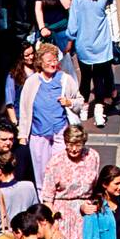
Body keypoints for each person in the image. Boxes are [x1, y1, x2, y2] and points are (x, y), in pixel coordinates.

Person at [17, 43, 83, 189]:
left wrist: (69, 102)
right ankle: (43, 202)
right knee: (41, 172)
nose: (53, 64)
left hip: (60, 131)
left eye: (55, 60)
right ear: (40, 62)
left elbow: (80, 101)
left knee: (60, 167)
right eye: (49, 61)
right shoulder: (31, 82)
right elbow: (24, 110)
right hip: (38, 133)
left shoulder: (65, 79)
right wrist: (22, 135)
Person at [41, 124, 100, 239]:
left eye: (78, 145)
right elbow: (47, 197)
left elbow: (96, 188)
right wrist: (53, 220)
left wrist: (92, 205)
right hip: (62, 214)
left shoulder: (93, 157)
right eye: (69, 144)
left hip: (86, 212)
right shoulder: (56, 161)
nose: (73, 149)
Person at [64, 0, 115, 128]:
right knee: (99, 79)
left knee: (86, 78)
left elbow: (72, 25)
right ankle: (99, 113)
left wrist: (70, 38)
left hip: (83, 45)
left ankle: (84, 108)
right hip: (102, 44)